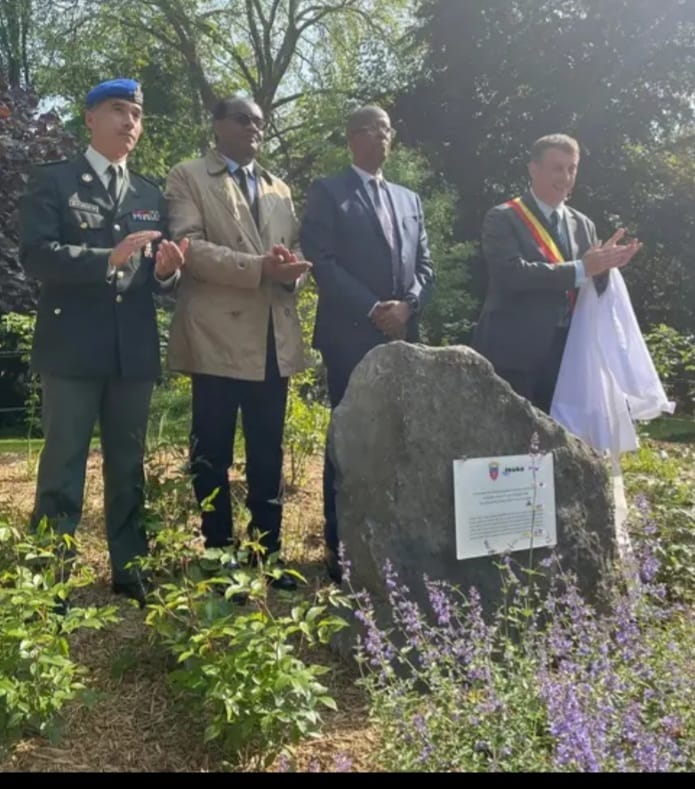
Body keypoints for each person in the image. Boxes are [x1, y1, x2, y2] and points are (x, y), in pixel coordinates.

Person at [19, 78, 188, 608]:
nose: (130, 123)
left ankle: (130, 570)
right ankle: (51, 579)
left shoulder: (147, 194)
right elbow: (36, 254)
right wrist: (104, 259)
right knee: (63, 468)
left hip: (131, 351)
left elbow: (152, 280)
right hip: (71, 349)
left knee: (127, 466)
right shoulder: (55, 182)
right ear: (89, 118)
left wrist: (166, 274)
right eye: (119, 111)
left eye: (136, 114)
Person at [164, 96, 310, 591]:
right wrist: (258, 268)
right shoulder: (188, 176)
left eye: (260, 123)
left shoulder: (279, 188)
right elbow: (188, 247)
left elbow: (296, 251)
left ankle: (267, 556)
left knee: (268, 452)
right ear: (218, 124)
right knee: (213, 454)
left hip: (273, 337)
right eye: (243, 119)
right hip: (216, 338)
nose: (254, 129)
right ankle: (219, 556)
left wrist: (292, 273)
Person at [300, 105, 435, 583]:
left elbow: (425, 265)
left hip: (403, 337)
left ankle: (397, 541)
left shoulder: (409, 198)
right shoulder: (329, 192)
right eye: (370, 130)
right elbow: (323, 261)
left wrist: (409, 306)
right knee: (350, 438)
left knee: (402, 437)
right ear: (351, 138)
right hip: (351, 337)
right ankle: (342, 549)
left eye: (387, 131)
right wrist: (375, 308)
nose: (381, 138)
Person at [473, 133, 641, 414]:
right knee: (514, 447)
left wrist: (606, 269)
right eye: (557, 168)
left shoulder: (582, 224)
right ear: (533, 169)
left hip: (569, 354)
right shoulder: (504, 217)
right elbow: (511, 275)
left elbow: (587, 284)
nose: (565, 176)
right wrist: (583, 268)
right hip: (514, 354)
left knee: (561, 445)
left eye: (572, 168)